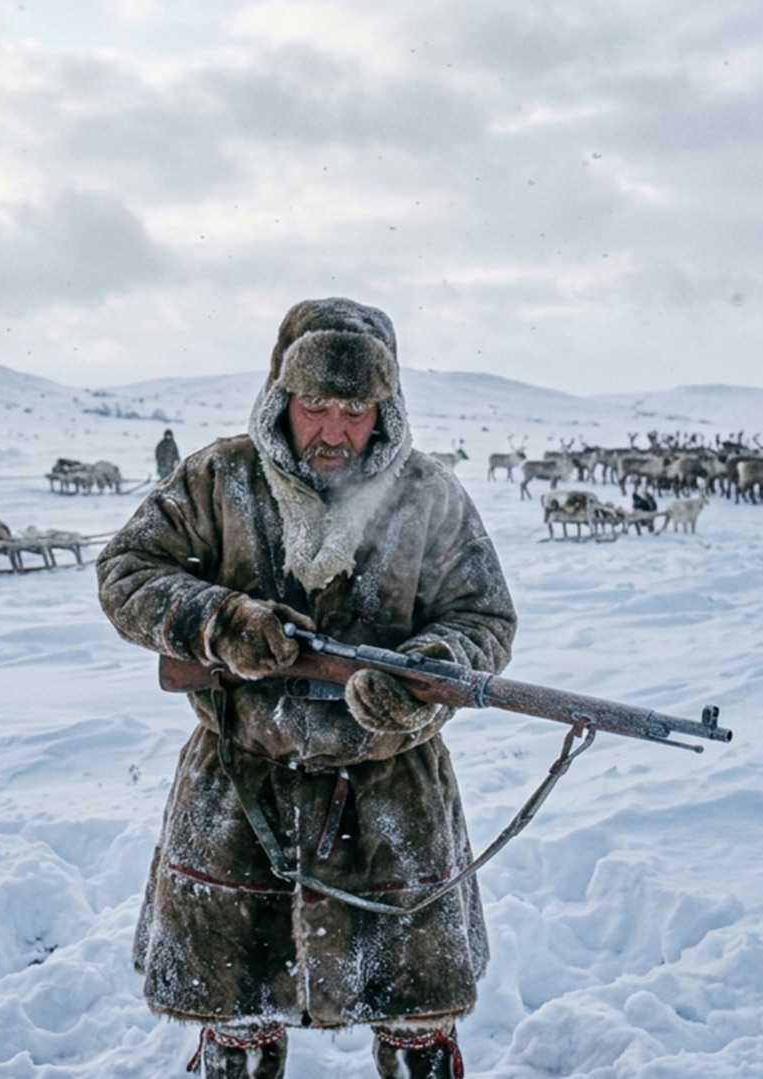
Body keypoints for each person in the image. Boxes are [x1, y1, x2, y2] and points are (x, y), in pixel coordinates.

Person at [97, 298, 515, 1079]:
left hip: (394, 803)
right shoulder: (218, 477)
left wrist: (427, 670)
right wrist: (216, 621)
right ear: (279, 396)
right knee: (235, 1029)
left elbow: (483, 615)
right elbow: (125, 573)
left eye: (355, 409)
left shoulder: (430, 495)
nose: (332, 431)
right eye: (314, 405)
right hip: (235, 795)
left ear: (384, 407)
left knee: (416, 1028)